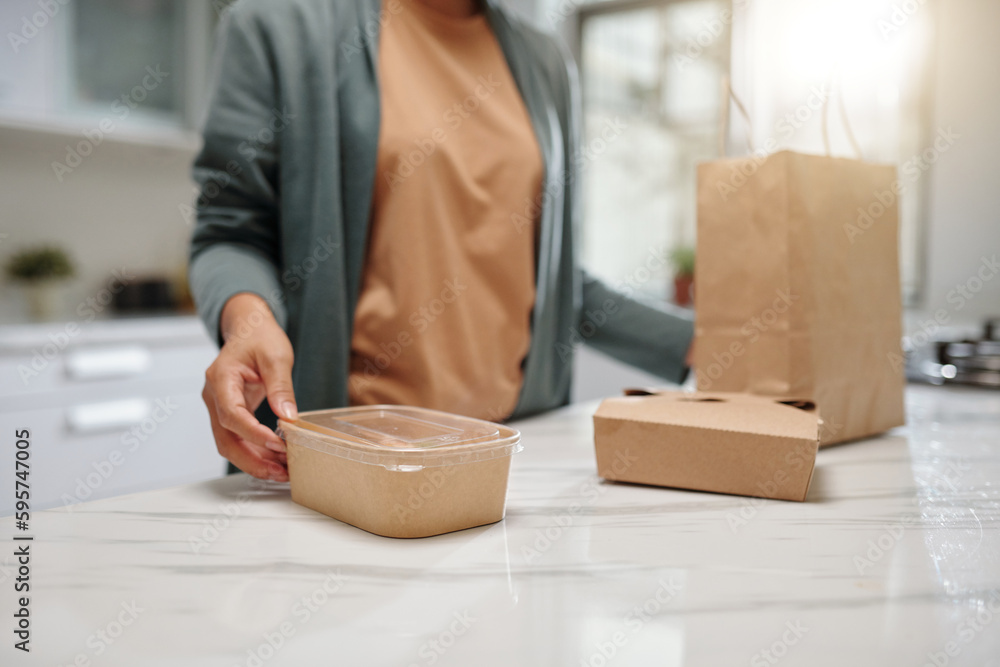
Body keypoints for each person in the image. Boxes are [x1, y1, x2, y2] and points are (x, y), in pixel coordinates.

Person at [190, 0, 694, 482]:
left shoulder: (545, 63)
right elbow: (232, 230)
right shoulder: (278, 28)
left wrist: (708, 341)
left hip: (509, 465)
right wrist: (247, 320)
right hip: (346, 470)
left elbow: (556, 283)